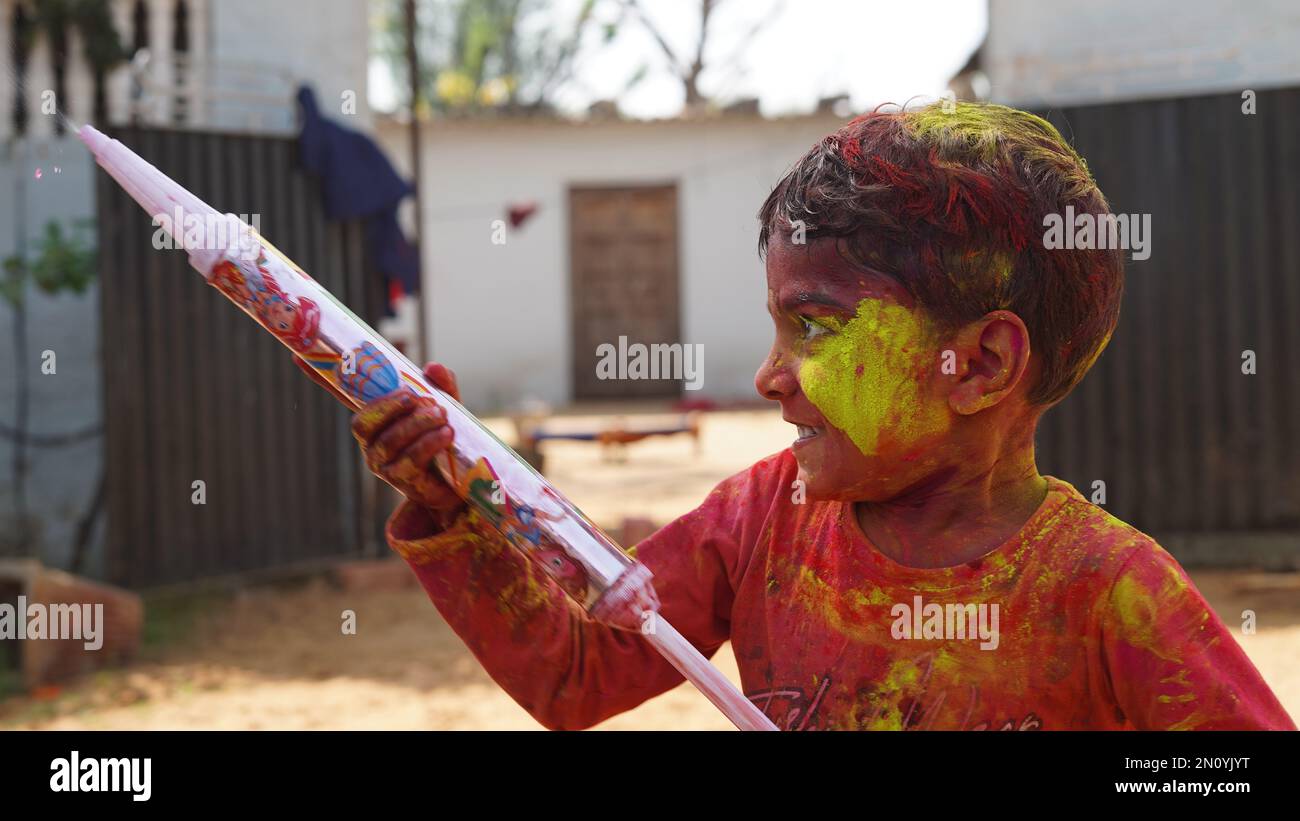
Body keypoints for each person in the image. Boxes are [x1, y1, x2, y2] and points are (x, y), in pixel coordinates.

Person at [308, 102, 1295, 730]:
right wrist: (454, 510)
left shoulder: (1107, 593)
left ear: (980, 362)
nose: (769, 375)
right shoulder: (757, 526)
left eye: (814, 326)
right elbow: (574, 675)